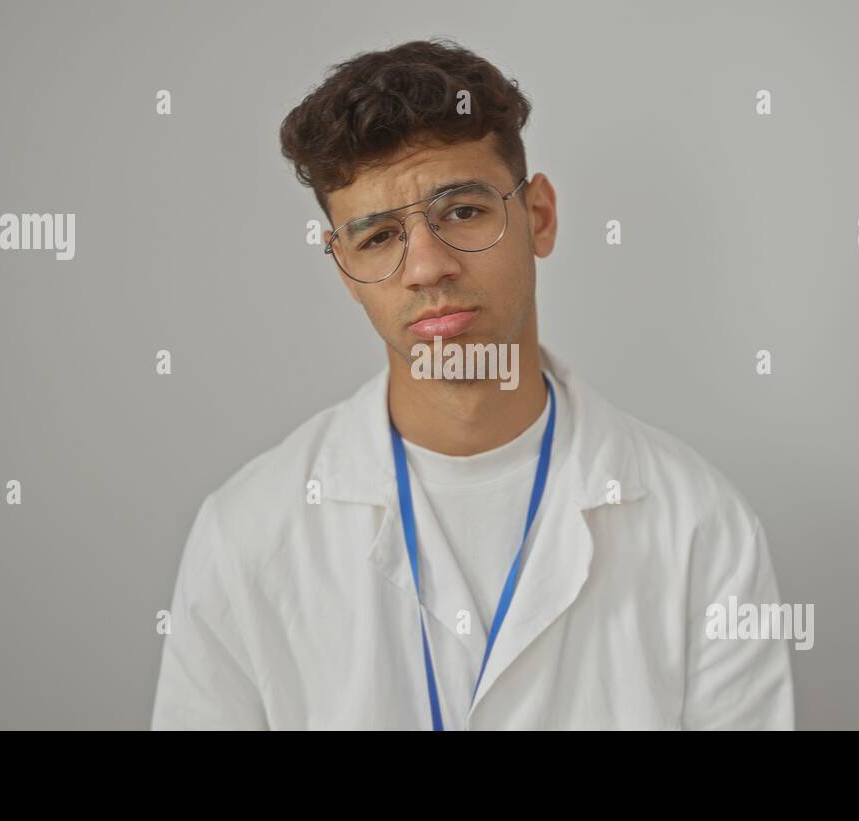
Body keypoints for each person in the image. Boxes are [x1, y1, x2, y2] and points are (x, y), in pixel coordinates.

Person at [151, 37, 794, 730]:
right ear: (344, 269)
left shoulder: (702, 528)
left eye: (462, 212)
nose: (427, 267)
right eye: (378, 237)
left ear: (538, 217)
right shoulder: (247, 534)